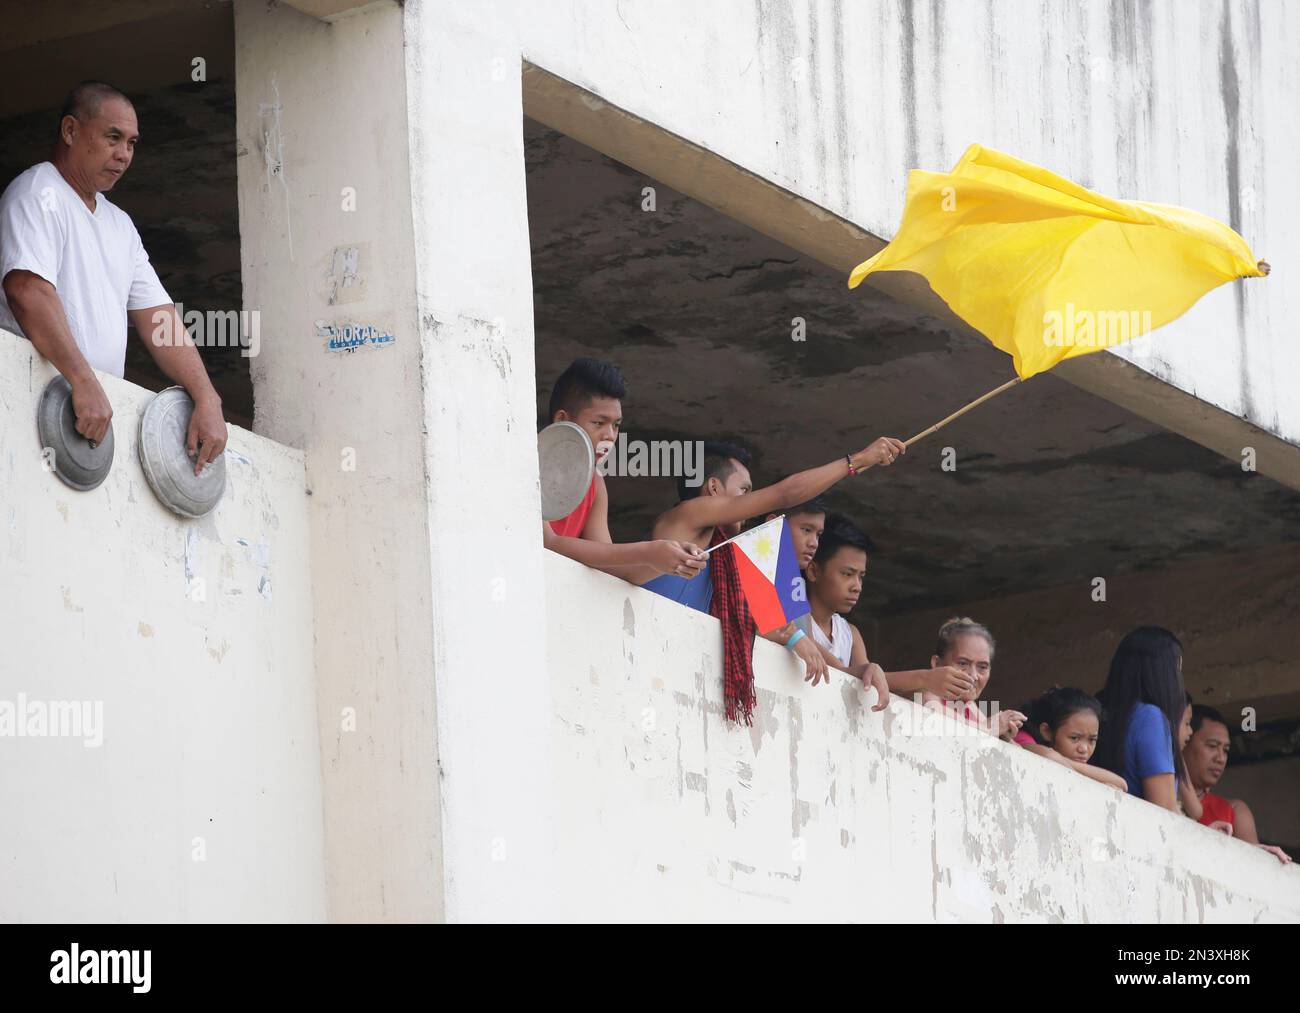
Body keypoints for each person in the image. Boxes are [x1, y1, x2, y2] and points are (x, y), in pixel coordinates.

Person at [0, 81, 226, 475]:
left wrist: (208, 397)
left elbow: (160, 319)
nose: (124, 154)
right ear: (70, 131)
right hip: (30, 403)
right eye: (113, 137)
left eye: (132, 143)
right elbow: (26, 292)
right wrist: (83, 380)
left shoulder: (120, 225)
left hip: (86, 420)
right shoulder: (38, 193)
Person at [645, 436, 904, 723]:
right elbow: (785, 494)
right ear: (713, 488)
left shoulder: (729, 555)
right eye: (744, 490)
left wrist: (844, 667)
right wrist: (856, 461)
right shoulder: (687, 514)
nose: (749, 501)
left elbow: (773, 626)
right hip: (649, 656)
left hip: (674, 670)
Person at [539, 357, 706, 583]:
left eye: (616, 425)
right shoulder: (531, 463)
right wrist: (647, 552)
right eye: (599, 423)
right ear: (562, 420)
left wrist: (672, 559)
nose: (610, 435)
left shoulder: (595, 483)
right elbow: (549, 542)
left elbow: (611, 565)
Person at [1093, 626, 1199, 814]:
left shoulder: (1102, 710)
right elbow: (1164, 812)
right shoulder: (1151, 718)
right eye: (1176, 670)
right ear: (1162, 673)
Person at [791, 515, 889, 709]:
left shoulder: (850, 634)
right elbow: (845, 672)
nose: (857, 587)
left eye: (861, 577)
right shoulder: (795, 621)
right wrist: (922, 678)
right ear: (813, 572)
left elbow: (868, 683)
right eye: (847, 574)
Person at [1183, 704, 1292, 864]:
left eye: (1226, 750)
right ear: (1184, 740)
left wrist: (1262, 858)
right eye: (1212, 746)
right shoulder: (1158, 793)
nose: (1220, 758)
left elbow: (1252, 868)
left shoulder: (1234, 811)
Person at [755, 497, 831, 688]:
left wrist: (862, 670)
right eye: (807, 530)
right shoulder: (751, 563)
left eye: (818, 534)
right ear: (775, 524)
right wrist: (795, 637)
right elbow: (749, 619)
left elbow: (810, 646)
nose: (814, 543)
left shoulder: (796, 584)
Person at [919, 617, 1025, 739]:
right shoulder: (927, 695)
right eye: (963, 664)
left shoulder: (969, 706)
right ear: (937, 664)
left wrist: (1004, 737)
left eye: (982, 667)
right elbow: (941, 719)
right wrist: (991, 728)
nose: (974, 676)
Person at [1013, 687, 1127, 791]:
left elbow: (1121, 784)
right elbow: (1049, 757)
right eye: (1075, 738)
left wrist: (1066, 763)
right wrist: (1093, 781)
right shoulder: (1022, 737)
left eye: (1092, 740)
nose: (1084, 749)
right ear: (1047, 732)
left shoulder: (1068, 760)